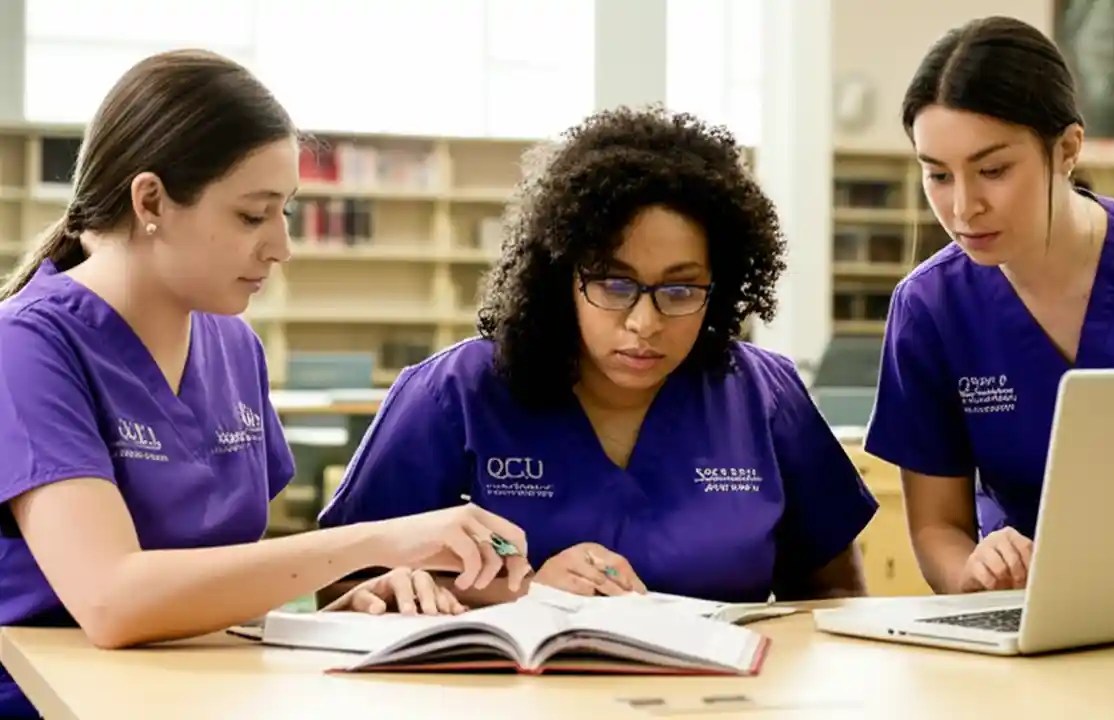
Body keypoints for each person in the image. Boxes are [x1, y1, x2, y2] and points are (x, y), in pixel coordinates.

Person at [0, 50, 530, 719]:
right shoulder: (26, 345)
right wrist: (379, 540)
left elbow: (213, 585)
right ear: (151, 200)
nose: (282, 245)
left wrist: (329, 609)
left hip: (209, 694)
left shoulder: (232, 345)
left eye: (286, 212)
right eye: (254, 215)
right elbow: (113, 600)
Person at [317, 106, 880, 610]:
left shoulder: (767, 397)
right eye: (614, 285)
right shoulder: (452, 393)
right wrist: (522, 596)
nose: (644, 323)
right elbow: (341, 586)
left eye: (680, 291)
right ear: (561, 276)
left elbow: (834, 592)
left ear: (723, 287)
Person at [864, 15, 1114, 595]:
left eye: (993, 170)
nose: (963, 207)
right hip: (1043, 615)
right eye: (936, 175)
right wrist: (974, 573)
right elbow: (939, 528)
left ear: (1066, 148)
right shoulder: (930, 308)